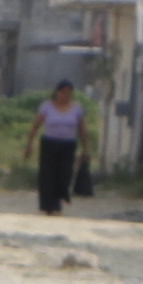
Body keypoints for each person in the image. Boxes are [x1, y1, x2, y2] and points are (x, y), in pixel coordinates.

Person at [25, 80, 86, 215]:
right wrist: (29, 144)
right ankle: (48, 205)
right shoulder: (47, 106)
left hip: (68, 145)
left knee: (64, 174)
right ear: (57, 92)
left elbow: (82, 129)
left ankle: (58, 201)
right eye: (63, 92)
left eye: (69, 93)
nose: (66, 95)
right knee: (48, 175)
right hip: (49, 143)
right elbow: (36, 125)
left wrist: (84, 148)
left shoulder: (77, 108)